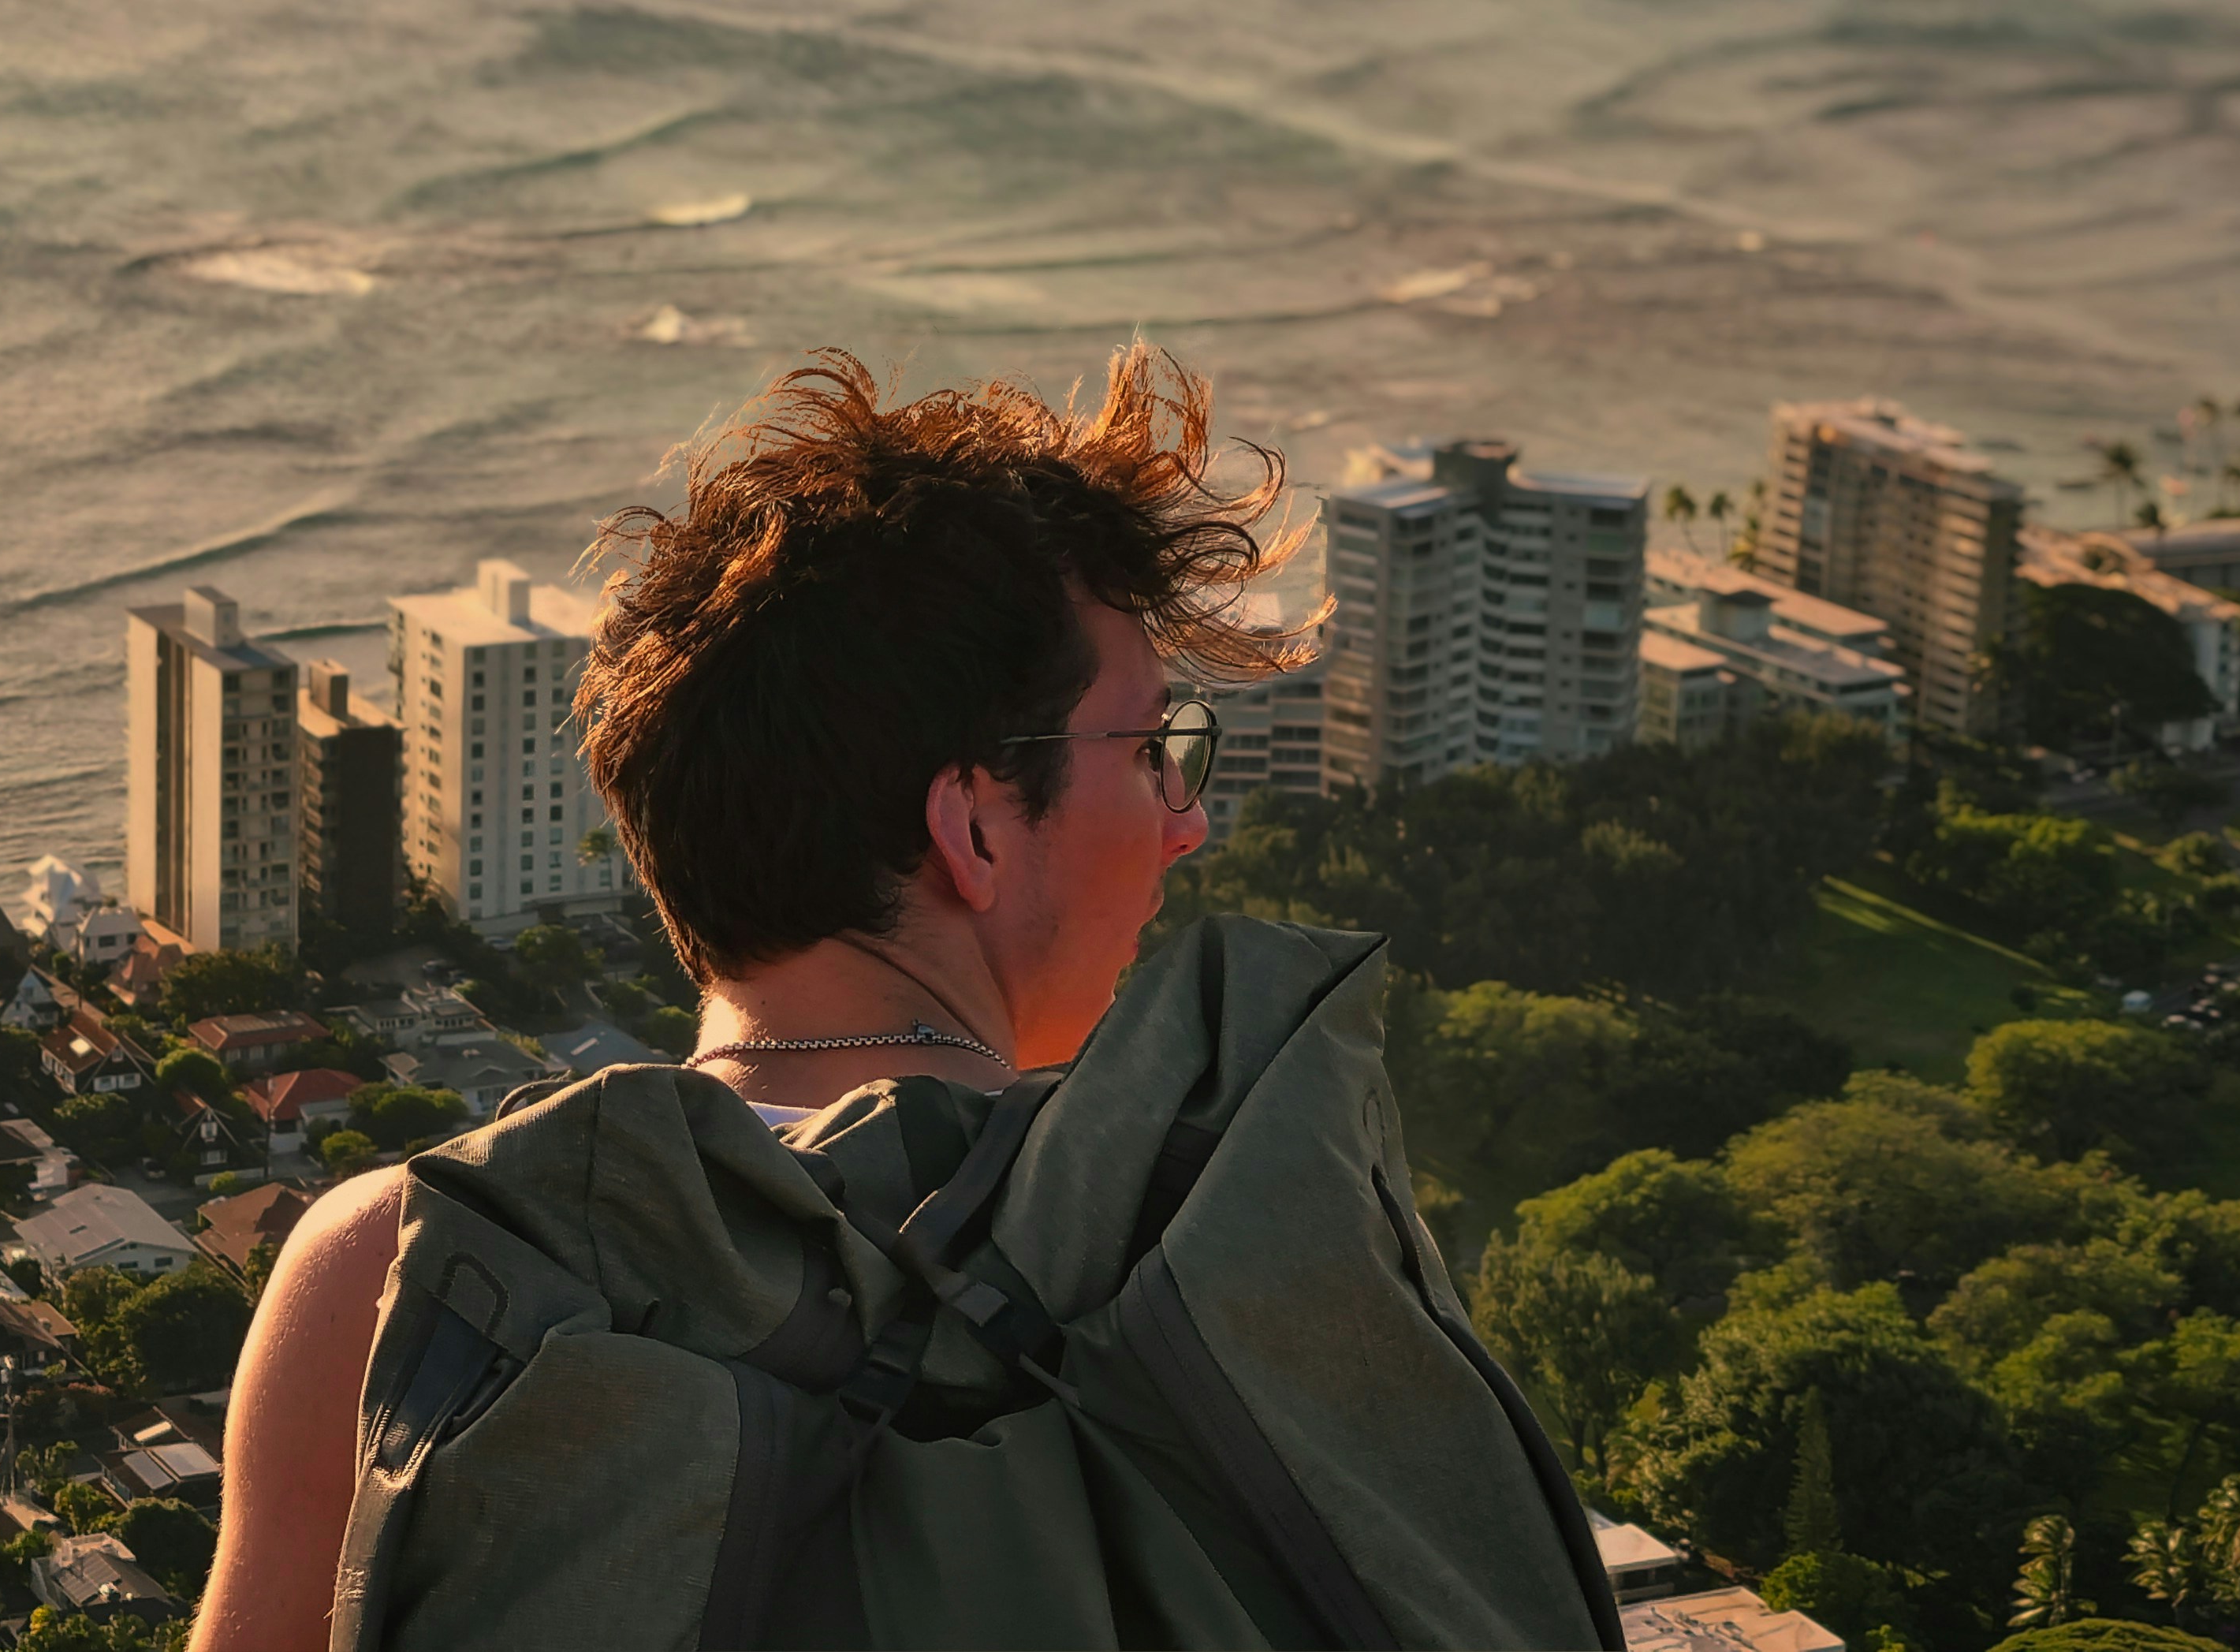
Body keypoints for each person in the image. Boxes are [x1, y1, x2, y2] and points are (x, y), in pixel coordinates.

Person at [198, 345, 1606, 1650]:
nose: (1187, 821)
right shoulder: (1226, 1237)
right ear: (975, 827)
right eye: (1154, 750)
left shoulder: (396, 1269)